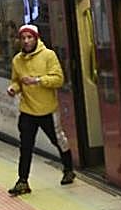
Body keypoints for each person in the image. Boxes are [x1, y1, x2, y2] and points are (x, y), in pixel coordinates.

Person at [6, 24, 74, 196]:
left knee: (58, 140)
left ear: (36, 38)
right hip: (27, 110)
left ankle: (68, 169)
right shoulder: (17, 60)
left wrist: (37, 80)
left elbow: (58, 79)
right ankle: (23, 181)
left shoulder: (48, 55)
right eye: (23, 38)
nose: (26, 41)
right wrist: (14, 88)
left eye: (30, 37)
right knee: (25, 146)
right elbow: (16, 80)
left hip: (48, 110)